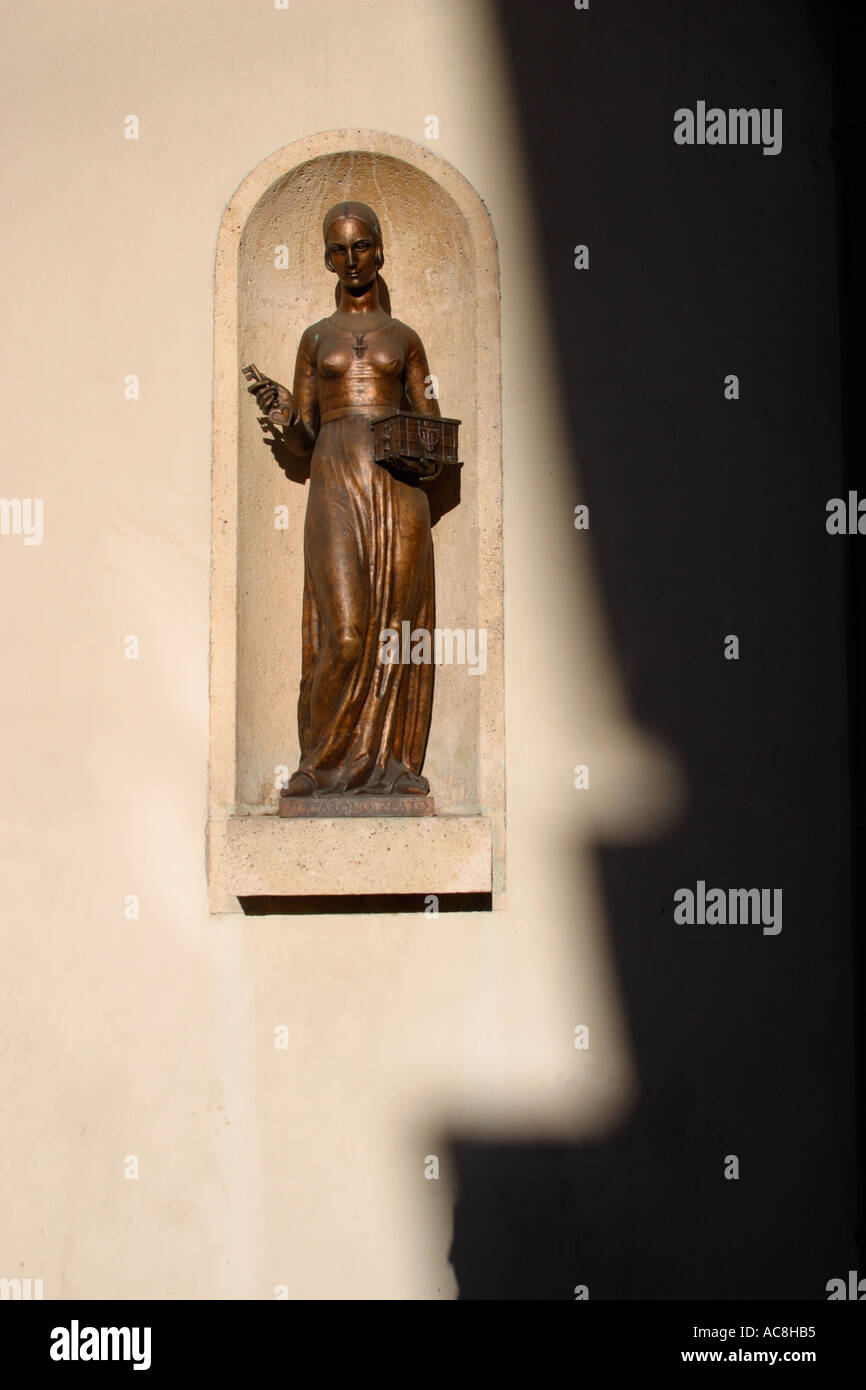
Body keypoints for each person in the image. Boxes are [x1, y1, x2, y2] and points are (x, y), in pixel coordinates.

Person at [248, 201, 442, 798]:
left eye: (362, 246)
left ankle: (397, 764)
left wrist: (421, 455)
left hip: (397, 489)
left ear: (379, 251)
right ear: (327, 258)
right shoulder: (315, 339)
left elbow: (430, 422)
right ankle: (319, 761)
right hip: (334, 479)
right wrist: (285, 414)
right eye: (340, 248)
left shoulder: (406, 340)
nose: (352, 258)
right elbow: (305, 435)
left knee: (397, 628)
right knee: (348, 630)